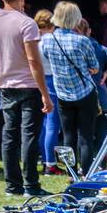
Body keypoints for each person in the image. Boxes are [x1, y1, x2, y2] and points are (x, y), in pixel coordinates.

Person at [0, 0, 53, 197]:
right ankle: (31, 184)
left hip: (5, 83)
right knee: (29, 136)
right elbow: (34, 61)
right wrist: (45, 94)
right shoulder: (27, 23)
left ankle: (12, 185)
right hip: (28, 84)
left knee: (10, 135)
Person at [40, 2, 99, 170]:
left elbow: (46, 58)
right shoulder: (82, 41)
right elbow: (94, 67)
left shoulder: (47, 40)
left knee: (68, 135)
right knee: (86, 136)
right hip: (85, 92)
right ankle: (86, 172)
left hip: (62, 94)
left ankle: (70, 171)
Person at [75, 17, 107, 155]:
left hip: (80, 93)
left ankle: (84, 163)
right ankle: (101, 161)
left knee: (83, 132)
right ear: (89, 31)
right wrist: (106, 73)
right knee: (101, 130)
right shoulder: (98, 47)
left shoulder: (73, 47)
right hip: (100, 94)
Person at [34, 10, 63, 175]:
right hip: (53, 80)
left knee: (44, 124)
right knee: (53, 124)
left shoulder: (35, 41)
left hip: (39, 80)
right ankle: (50, 164)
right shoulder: (52, 40)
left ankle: (45, 159)